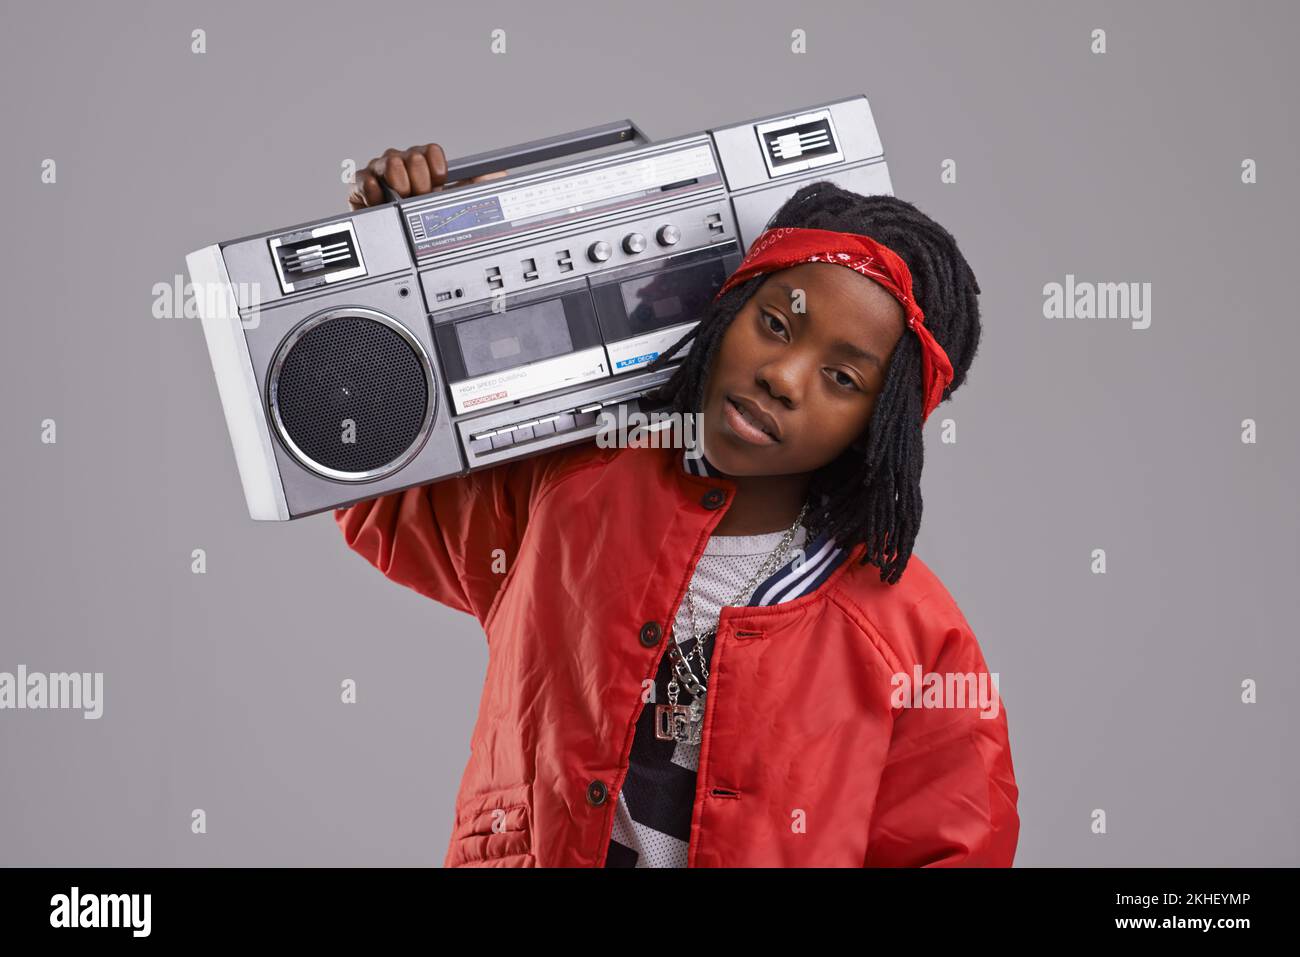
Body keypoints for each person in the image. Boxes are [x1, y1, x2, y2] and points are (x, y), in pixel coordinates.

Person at [339, 144, 1020, 868]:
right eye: (776, 325)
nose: (783, 376)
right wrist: (416, 259)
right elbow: (383, 491)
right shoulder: (575, 492)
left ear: (882, 426)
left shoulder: (911, 634)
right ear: (730, 306)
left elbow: (954, 845)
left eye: (843, 378)